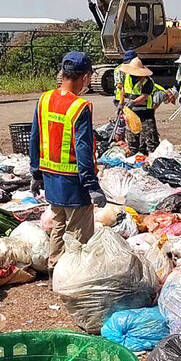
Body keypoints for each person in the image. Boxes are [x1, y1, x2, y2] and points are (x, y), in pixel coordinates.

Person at [29, 51, 106, 270]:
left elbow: (34, 138)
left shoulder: (44, 100)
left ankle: (55, 272)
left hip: (51, 181)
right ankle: (73, 281)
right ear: (84, 78)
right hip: (75, 185)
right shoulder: (80, 107)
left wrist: (35, 173)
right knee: (79, 239)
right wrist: (93, 187)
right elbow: (83, 151)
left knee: (58, 228)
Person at [120, 55, 169, 155]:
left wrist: (133, 102)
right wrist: (121, 104)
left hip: (145, 112)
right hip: (132, 112)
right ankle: (135, 154)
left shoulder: (147, 82)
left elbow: (144, 96)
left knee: (150, 137)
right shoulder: (127, 77)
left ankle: (152, 155)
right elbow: (122, 91)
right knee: (132, 136)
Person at [112, 49, 137, 142]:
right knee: (122, 122)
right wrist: (121, 103)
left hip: (129, 99)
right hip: (121, 99)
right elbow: (120, 86)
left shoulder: (133, 69)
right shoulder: (119, 69)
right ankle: (119, 142)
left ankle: (127, 141)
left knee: (129, 122)